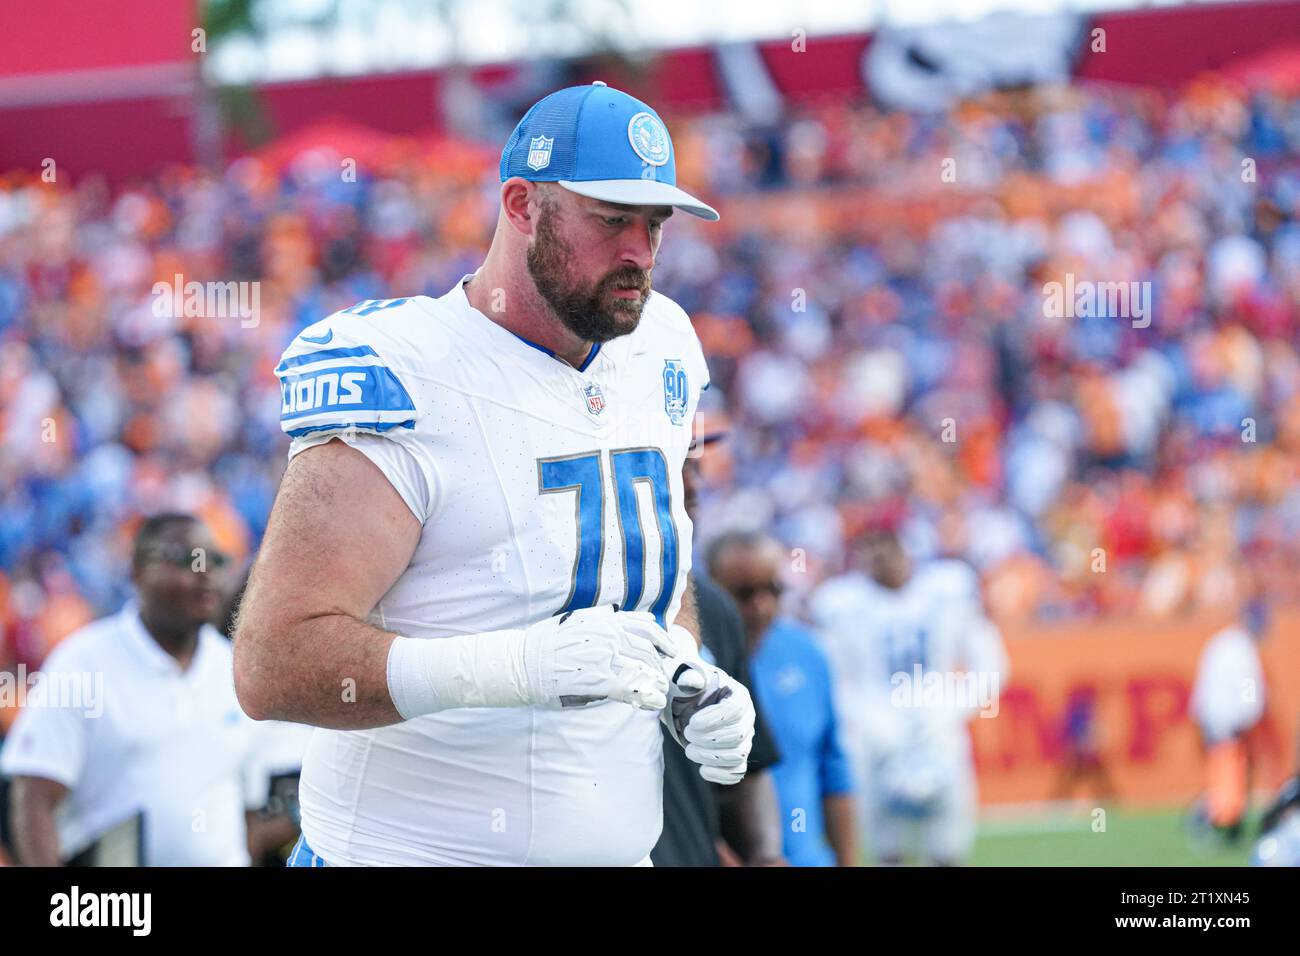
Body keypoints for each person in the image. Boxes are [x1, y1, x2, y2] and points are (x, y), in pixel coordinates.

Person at [233, 82, 756, 867]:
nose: (640, 253)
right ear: (521, 204)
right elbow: (273, 665)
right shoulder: (410, 369)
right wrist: (509, 668)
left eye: (654, 224)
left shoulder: (665, 345)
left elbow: (648, 564)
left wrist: (686, 670)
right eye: (612, 219)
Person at [1, 514, 274, 866]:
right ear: (137, 570)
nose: (205, 572)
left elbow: (248, 807)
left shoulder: (236, 668)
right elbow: (33, 796)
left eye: (216, 560)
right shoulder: (83, 662)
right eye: (185, 559)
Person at [809, 528, 1008, 866]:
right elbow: (826, 677)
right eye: (873, 550)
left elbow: (990, 662)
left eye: (890, 548)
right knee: (886, 845)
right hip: (873, 733)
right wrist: (863, 719)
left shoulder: (947, 590)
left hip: (938, 727)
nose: (884, 559)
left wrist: (952, 709)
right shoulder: (841, 604)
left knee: (948, 844)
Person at [652, 427, 784, 866]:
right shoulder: (577, 604)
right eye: (673, 463)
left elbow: (749, 765)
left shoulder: (714, 607)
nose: (692, 482)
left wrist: (765, 854)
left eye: (695, 465)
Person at [708, 530, 857, 867]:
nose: (761, 605)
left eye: (772, 589)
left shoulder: (808, 653)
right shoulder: (691, 666)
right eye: (744, 593)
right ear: (711, 591)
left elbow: (834, 769)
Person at [1190, 596, 1271, 840]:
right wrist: (1248, 717)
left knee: (1222, 769)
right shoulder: (1241, 649)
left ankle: (1216, 815)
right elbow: (1249, 689)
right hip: (1229, 720)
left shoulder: (1222, 642)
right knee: (1230, 771)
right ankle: (1220, 819)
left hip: (1213, 716)